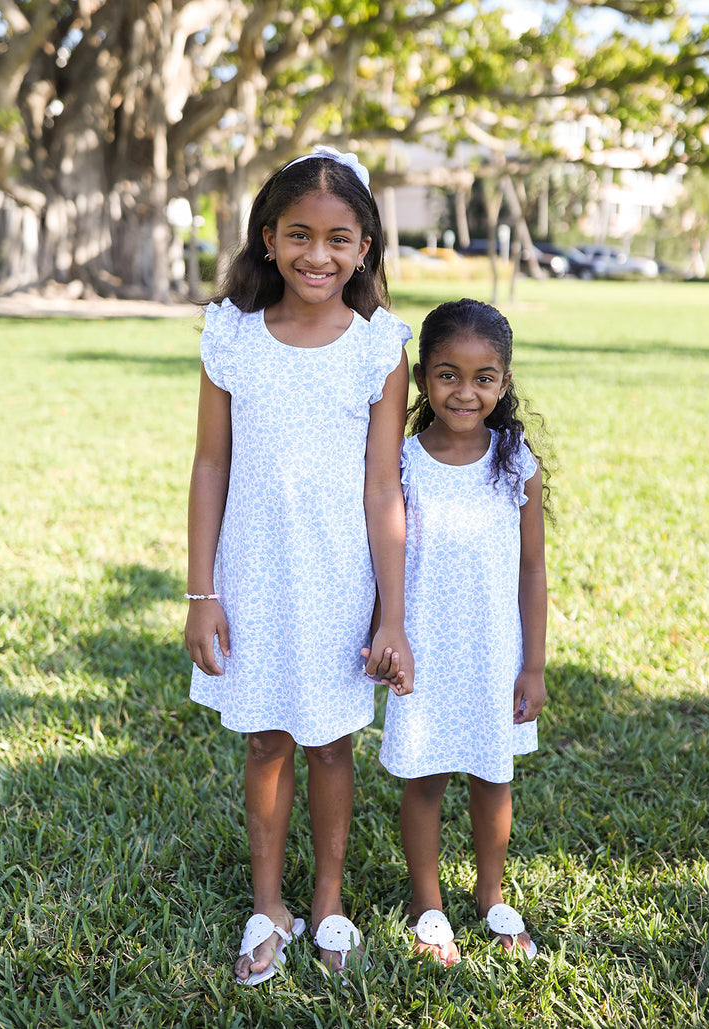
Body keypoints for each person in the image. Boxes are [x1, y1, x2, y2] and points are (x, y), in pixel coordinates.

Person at [184, 145, 414, 985]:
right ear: (269, 239)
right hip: (252, 571)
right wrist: (201, 591)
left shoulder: (378, 346)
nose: (318, 255)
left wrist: (391, 612)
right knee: (266, 739)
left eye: (338, 239)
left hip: (339, 575)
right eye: (299, 235)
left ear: (364, 248)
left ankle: (326, 899)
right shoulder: (232, 335)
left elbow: (383, 486)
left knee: (328, 744)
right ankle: (266, 902)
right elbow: (210, 466)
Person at [374, 298, 549, 966]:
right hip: (423, 648)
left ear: (503, 382)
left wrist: (532, 665)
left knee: (491, 776)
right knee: (424, 779)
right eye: (448, 374)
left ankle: (490, 893)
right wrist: (383, 636)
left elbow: (531, 571)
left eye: (483, 377)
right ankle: (428, 904)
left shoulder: (514, 464)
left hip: (492, 652)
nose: (465, 390)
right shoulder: (403, 462)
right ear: (422, 378)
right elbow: (381, 563)